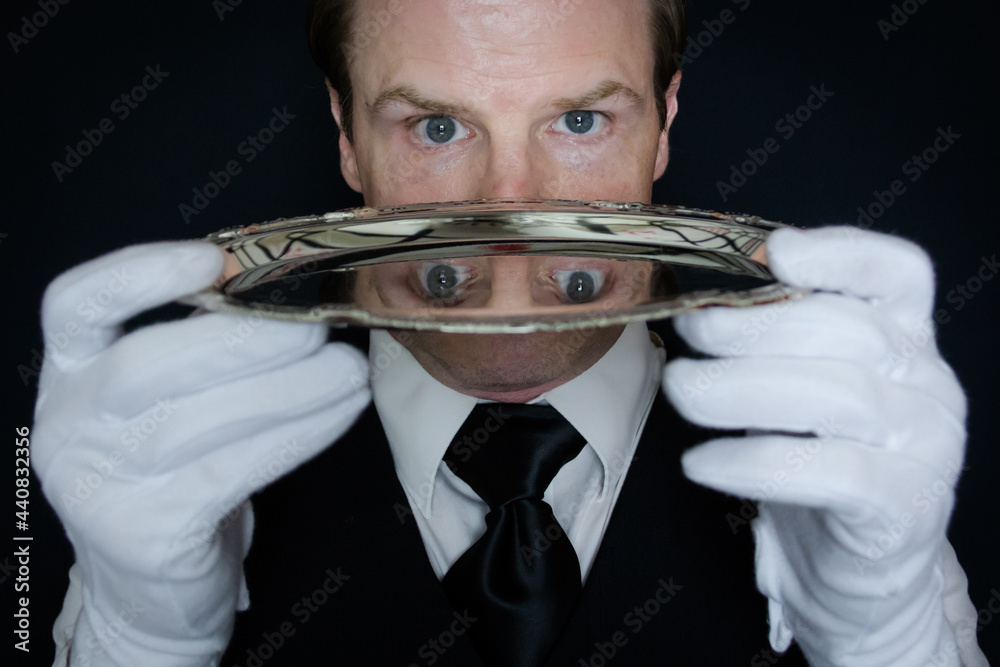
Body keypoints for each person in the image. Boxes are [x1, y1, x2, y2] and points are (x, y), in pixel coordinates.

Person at [33, 0, 988, 665]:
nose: (509, 211)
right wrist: (140, 642)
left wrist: (887, 645)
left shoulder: (839, 462)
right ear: (346, 133)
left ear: (664, 123)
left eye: (579, 119)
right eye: (437, 128)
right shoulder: (167, 472)